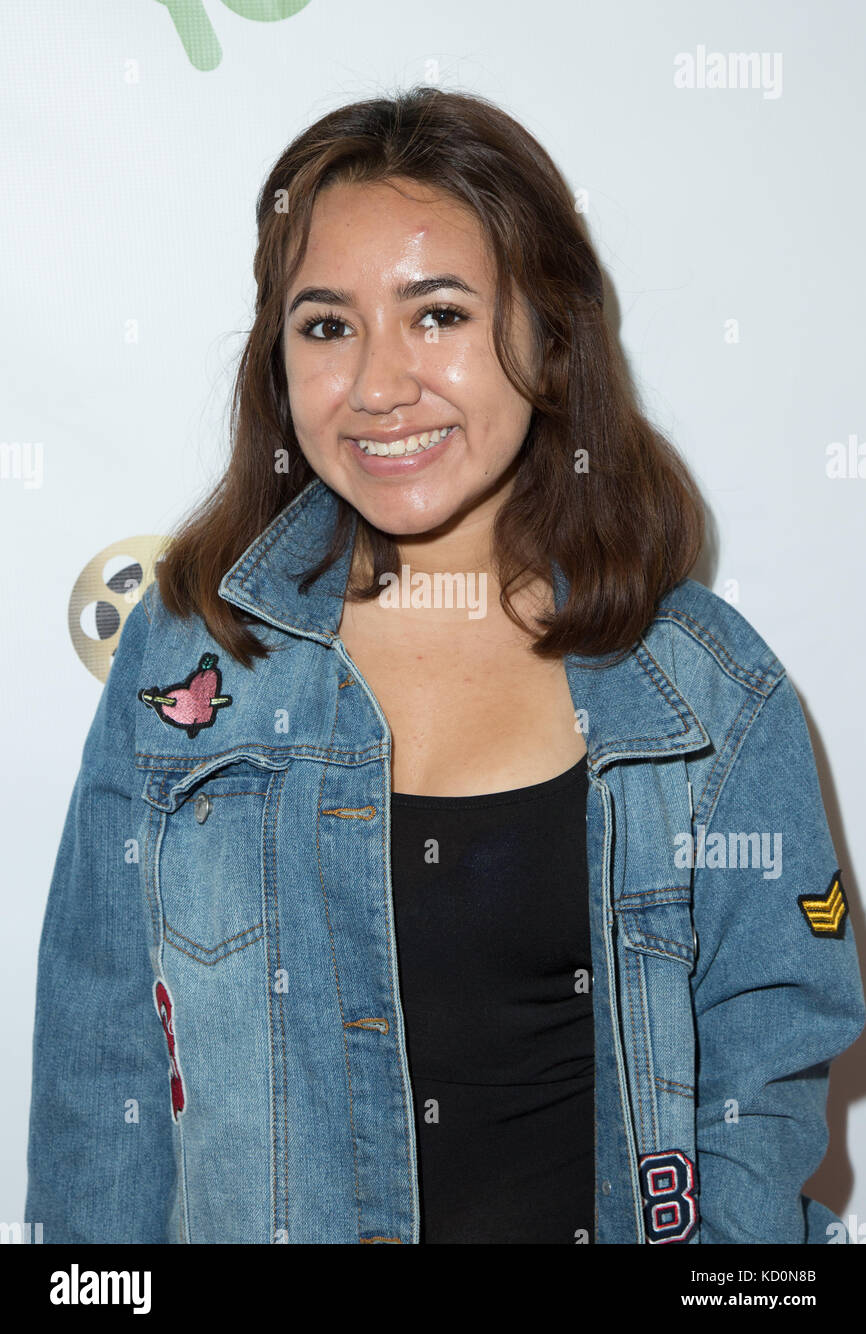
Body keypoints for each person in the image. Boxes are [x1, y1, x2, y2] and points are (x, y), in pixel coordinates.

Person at [25, 86, 865, 1244]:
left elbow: (759, 1093)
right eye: (326, 325)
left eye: (437, 315)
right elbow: (98, 1086)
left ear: (546, 332)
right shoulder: (188, 664)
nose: (377, 385)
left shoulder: (707, 694)